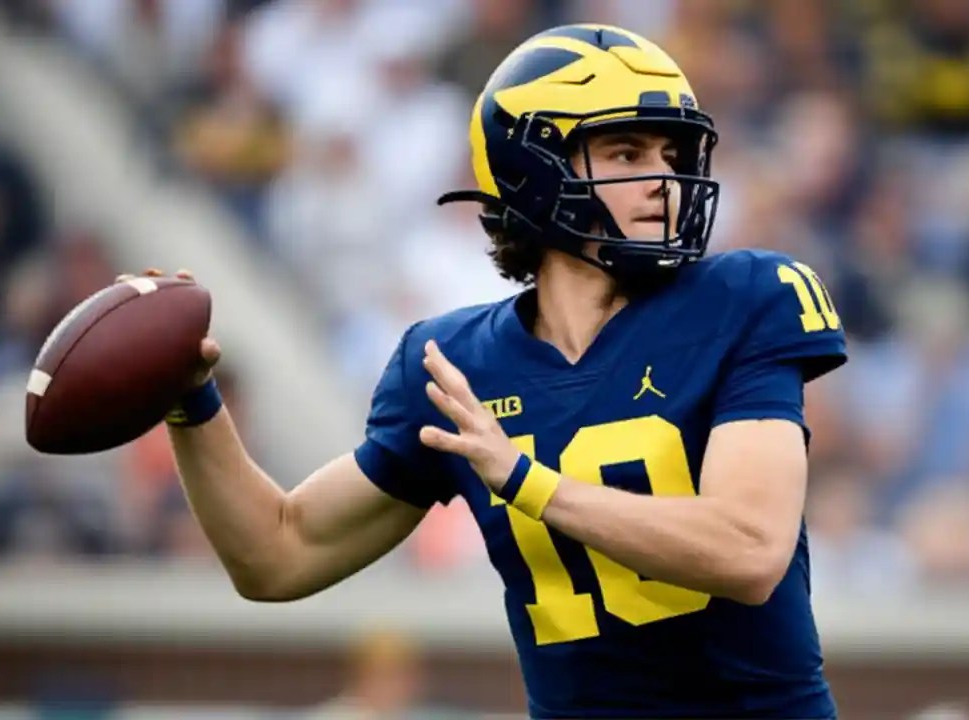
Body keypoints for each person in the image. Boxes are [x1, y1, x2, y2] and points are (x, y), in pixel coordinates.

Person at [146, 23, 848, 719]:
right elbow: (278, 554)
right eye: (627, 150)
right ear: (532, 171)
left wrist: (525, 481)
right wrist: (191, 404)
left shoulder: (747, 298)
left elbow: (749, 551)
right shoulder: (457, 367)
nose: (664, 179)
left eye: (672, 152)